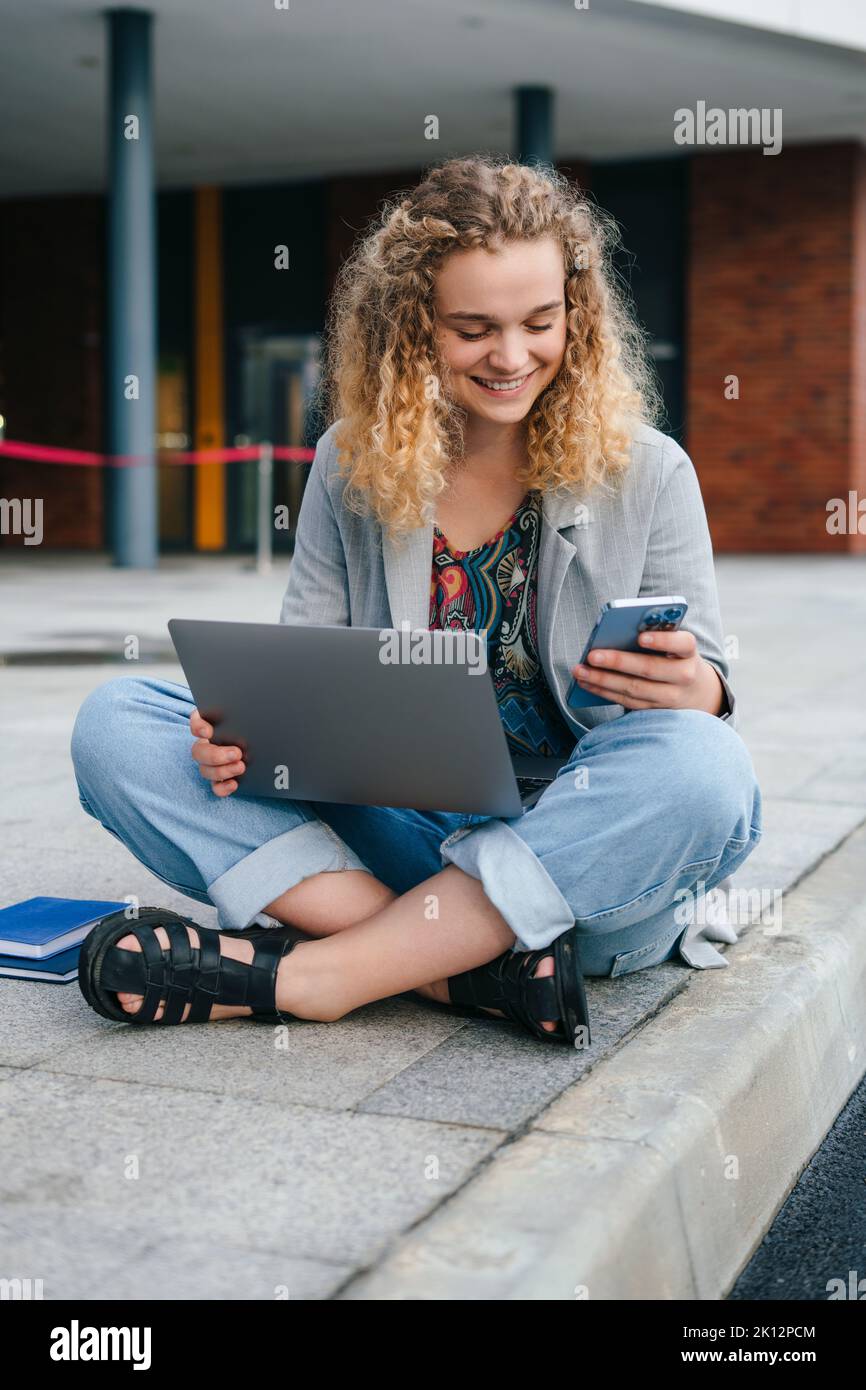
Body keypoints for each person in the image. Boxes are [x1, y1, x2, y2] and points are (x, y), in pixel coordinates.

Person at [71, 156, 762, 1044]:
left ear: (576, 318)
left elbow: (707, 696)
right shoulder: (347, 464)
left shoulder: (654, 470)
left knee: (704, 768)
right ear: (411, 327)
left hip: (577, 847)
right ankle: (460, 968)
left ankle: (322, 973)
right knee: (117, 721)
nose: (512, 358)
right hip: (401, 831)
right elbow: (304, 687)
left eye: (540, 323)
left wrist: (695, 689)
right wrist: (241, 740)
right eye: (473, 329)